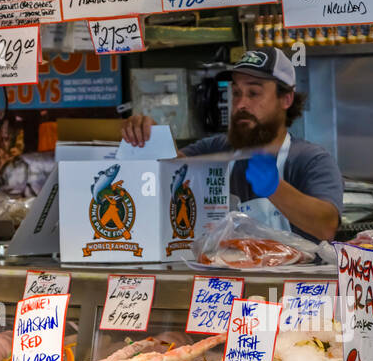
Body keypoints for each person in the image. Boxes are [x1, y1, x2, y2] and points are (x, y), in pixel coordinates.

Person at [120, 48, 343, 241]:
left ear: (286, 99)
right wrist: (150, 138)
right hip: (226, 273)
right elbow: (171, 168)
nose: (241, 104)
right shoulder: (218, 149)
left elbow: (327, 226)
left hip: (295, 277)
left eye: (253, 93)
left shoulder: (310, 159)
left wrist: (275, 187)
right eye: (236, 93)